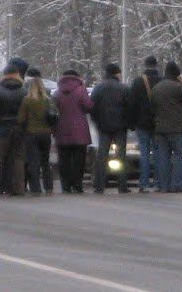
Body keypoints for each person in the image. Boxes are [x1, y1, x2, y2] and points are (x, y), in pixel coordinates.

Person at [149, 62, 182, 193]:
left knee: (163, 157)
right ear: (176, 74)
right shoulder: (178, 87)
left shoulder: (157, 88)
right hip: (176, 127)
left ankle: (164, 185)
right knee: (180, 156)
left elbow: (152, 106)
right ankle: (178, 184)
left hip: (160, 127)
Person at [0, 63, 27, 197]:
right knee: (18, 158)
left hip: (2, 127)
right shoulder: (23, 91)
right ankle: (18, 189)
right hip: (19, 128)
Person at [89, 63, 130, 194]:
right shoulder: (123, 88)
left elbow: (92, 107)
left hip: (103, 126)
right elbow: (130, 107)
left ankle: (99, 185)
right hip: (120, 126)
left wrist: (97, 122)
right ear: (116, 73)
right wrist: (127, 123)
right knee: (121, 156)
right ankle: (122, 185)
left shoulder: (98, 88)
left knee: (102, 156)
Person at [53, 69, 93, 194]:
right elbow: (88, 106)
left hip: (62, 128)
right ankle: (77, 185)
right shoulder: (81, 90)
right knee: (79, 159)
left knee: (64, 159)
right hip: (80, 130)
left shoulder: (57, 92)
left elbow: (53, 110)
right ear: (77, 77)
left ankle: (65, 185)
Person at [125, 56, 161, 192]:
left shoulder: (138, 82)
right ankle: (159, 182)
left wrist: (131, 123)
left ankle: (144, 183)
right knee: (159, 153)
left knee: (144, 153)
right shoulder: (162, 81)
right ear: (156, 66)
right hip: (158, 123)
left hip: (142, 123)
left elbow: (132, 103)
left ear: (145, 66)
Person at [18, 71, 56, 196]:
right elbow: (55, 116)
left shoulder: (27, 101)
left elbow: (21, 119)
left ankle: (35, 188)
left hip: (31, 134)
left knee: (33, 162)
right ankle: (49, 187)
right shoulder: (48, 100)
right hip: (45, 134)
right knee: (45, 162)